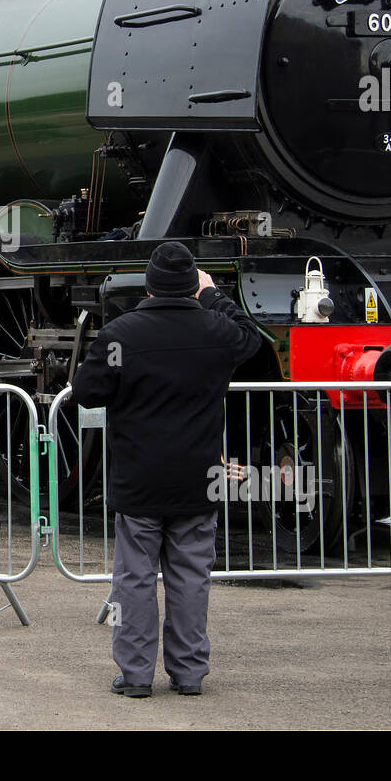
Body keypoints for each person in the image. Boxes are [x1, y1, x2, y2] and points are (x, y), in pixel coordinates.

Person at [72, 241, 262, 697]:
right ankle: (190, 673)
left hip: (139, 476)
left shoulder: (122, 334)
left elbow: (86, 392)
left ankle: (136, 675)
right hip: (199, 477)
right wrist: (213, 295)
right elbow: (251, 338)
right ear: (193, 285)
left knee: (134, 579)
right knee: (191, 577)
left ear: (151, 285)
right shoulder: (216, 331)